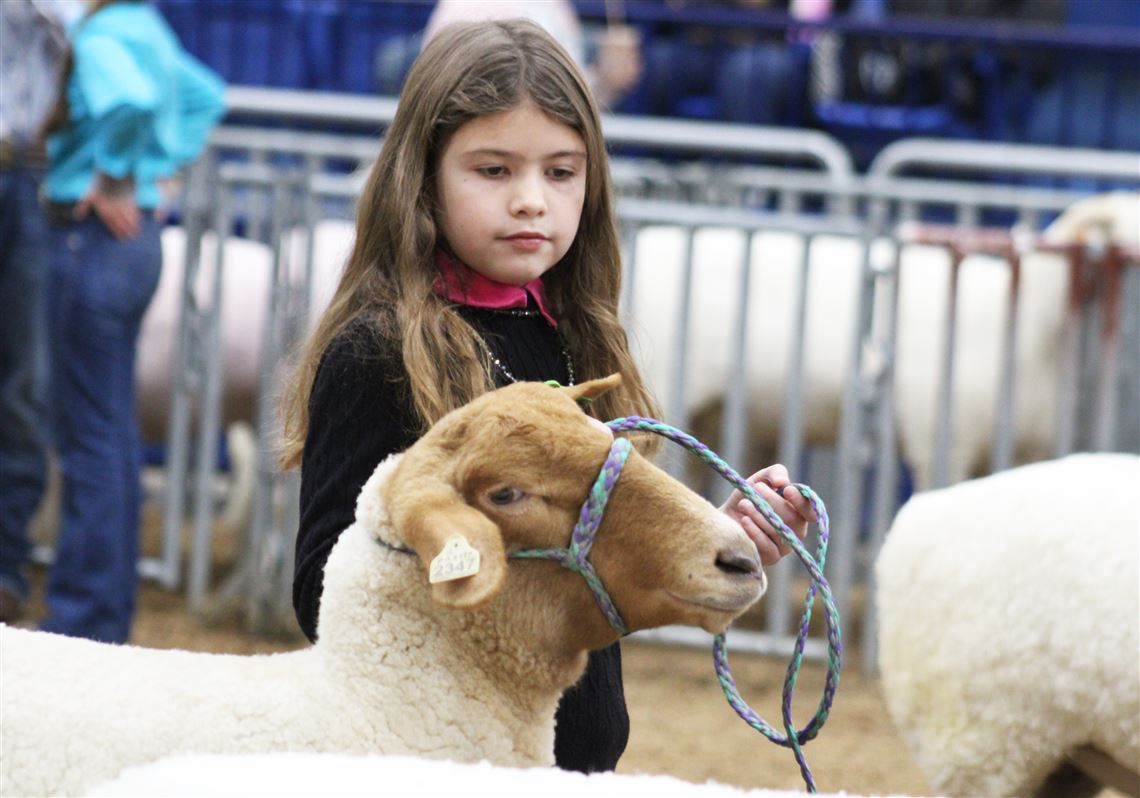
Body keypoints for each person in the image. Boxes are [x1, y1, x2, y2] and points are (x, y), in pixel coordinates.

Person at [283, 19, 815, 774]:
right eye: (493, 170)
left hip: (573, 764)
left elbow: (583, 563)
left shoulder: (577, 340)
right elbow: (321, 591)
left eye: (561, 173)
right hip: (443, 764)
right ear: (423, 175)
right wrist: (453, 549)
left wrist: (703, 541)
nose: (532, 201)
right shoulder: (377, 352)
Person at [37, 0, 226, 643]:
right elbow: (205, 96)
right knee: (107, 434)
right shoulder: (144, 23)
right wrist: (157, 175)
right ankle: (100, 613)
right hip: (130, 240)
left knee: (89, 438)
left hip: (92, 234)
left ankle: (82, 617)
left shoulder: (101, 33)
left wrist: (117, 175)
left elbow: (128, 103)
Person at [0, 0, 84, 626]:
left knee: (23, 386)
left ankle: (5, 569)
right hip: (26, 180)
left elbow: (80, 30)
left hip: (29, 176)